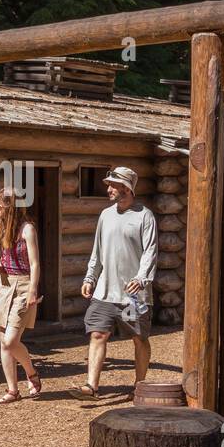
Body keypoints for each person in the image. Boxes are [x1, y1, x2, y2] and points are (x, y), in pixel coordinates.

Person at [75, 166, 157, 398]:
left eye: (113, 185)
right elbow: (97, 251)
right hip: (104, 291)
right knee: (97, 334)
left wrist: (141, 279)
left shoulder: (144, 216)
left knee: (139, 338)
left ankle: (140, 385)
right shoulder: (105, 215)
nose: (109, 189)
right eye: (109, 185)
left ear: (127, 188)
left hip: (133, 296)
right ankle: (91, 386)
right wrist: (90, 277)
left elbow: (150, 252)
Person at [0, 187, 44, 404]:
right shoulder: (1, 228)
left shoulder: (27, 229)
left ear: (10, 206)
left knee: (11, 341)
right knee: (3, 341)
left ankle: (31, 373)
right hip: (3, 284)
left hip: (23, 285)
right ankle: (12, 390)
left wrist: (32, 290)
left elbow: (35, 263)